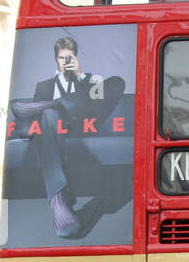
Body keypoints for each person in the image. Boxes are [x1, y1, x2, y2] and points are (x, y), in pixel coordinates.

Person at [9, 35, 124, 238]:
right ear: (56, 59)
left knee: (116, 82)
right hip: (54, 131)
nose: (66, 62)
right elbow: (35, 124)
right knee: (48, 114)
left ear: (76, 58)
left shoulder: (88, 81)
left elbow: (97, 102)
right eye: (62, 58)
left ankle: (55, 103)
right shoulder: (43, 87)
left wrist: (80, 76)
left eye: (70, 57)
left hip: (83, 124)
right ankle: (58, 198)